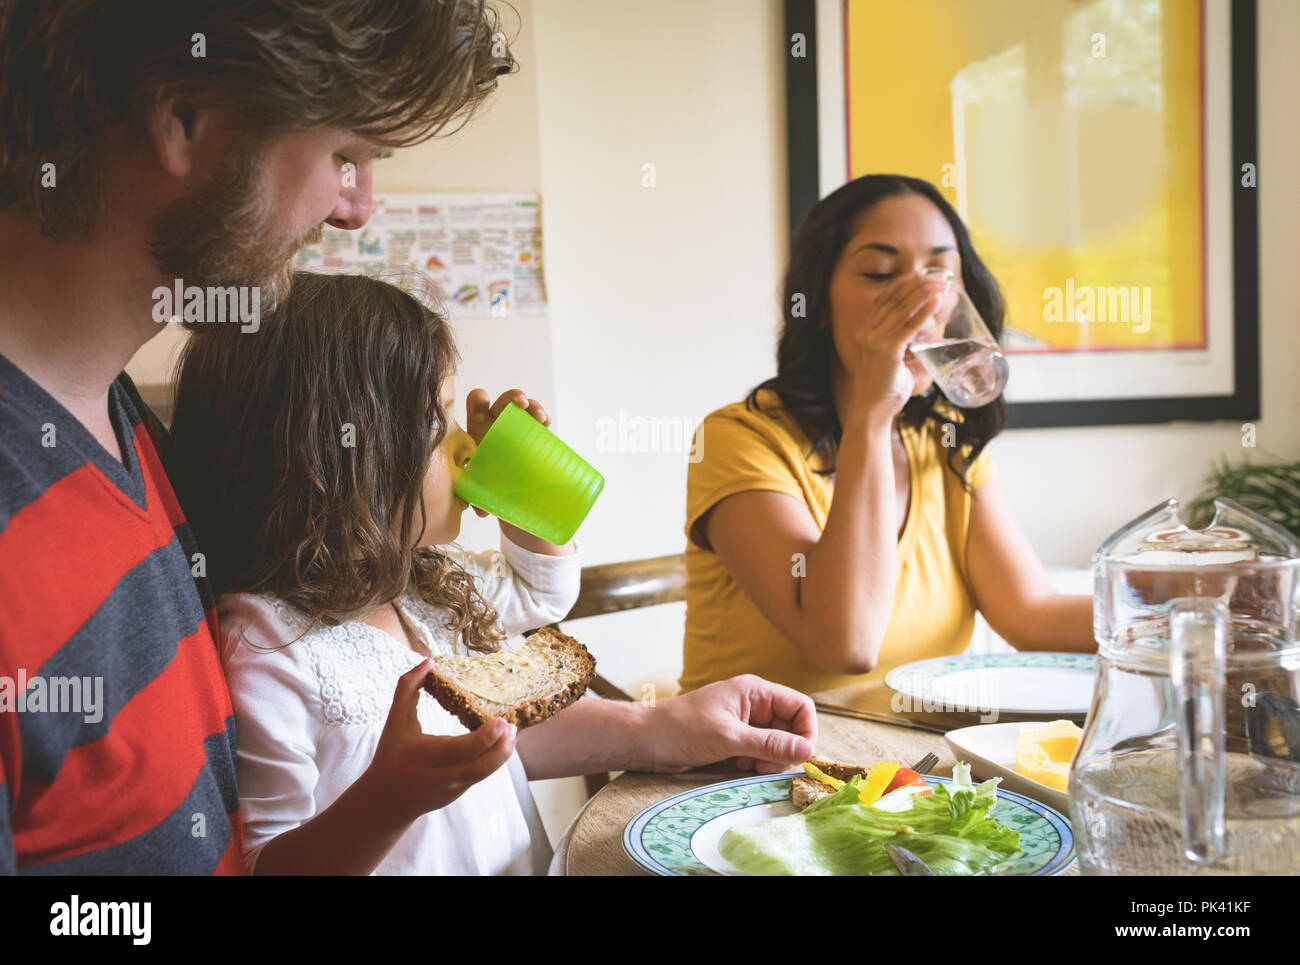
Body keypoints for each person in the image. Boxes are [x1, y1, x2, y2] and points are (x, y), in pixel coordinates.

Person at [0, 0, 811, 875]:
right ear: (185, 118)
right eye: (346, 153)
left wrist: (658, 729)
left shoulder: (127, 439)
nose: (358, 211)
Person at [163, 272, 817, 875]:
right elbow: (263, 867)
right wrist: (387, 800)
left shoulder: (423, 583)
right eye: (433, 421)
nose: (464, 445)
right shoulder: (269, 647)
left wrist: (661, 727)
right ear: (337, 460)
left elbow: (545, 590)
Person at [679, 174, 1094, 697]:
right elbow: (846, 643)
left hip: (911, 765)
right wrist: (873, 411)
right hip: (750, 769)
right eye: (880, 273)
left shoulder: (945, 443)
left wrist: (1186, 602)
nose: (921, 301)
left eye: (940, 272)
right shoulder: (737, 440)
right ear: (821, 304)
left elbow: (1034, 616)